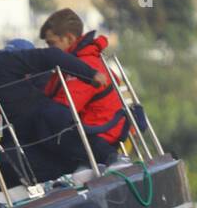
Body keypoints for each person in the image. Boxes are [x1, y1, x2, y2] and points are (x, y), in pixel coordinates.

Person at [0, 34, 114, 183]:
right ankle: (63, 179)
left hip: (45, 124)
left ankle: (111, 159)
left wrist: (89, 74)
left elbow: (49, 56)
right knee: (9, 160)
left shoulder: (0, 65)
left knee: (50, 119)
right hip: (19, 144)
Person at [38, 8, 129, 152]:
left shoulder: (84, 65)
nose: (49, 50)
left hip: (98, 138)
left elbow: (61, 110)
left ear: (69, 38)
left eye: (51, 44)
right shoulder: (76, 62)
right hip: (89, 135)